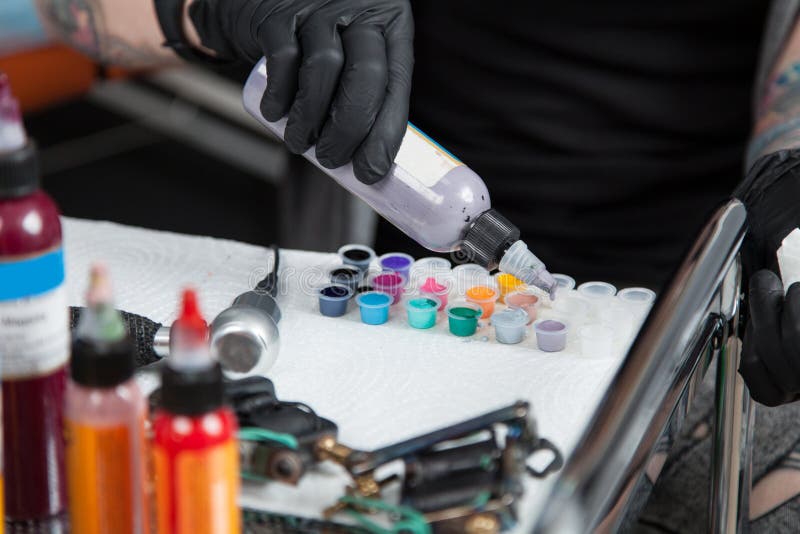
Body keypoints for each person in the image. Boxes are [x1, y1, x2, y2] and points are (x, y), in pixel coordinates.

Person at [8, 0, 800, 530]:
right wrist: (212, 8)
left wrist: (791, 191)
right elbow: (54, 12)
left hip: (701, 297)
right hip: (395, 283)